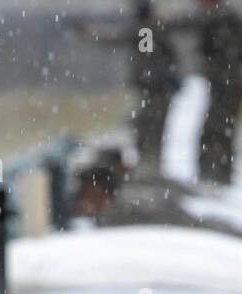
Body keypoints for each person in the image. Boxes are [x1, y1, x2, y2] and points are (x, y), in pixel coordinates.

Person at [73, 3, 180, 170]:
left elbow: (122, 41)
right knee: (150, 129)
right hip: (157, 89)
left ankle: (149, 166)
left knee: (149, 130)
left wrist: (89, 32)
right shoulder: (154, 30)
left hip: (155, 89)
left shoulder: (147, 31)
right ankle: (151, 166)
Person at [171, 0, 242, 186]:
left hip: (227, 84)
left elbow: (237, 51)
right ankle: (215, 176)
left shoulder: (222, 19)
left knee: (217, 131)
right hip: (225, 83)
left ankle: (214, 178)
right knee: (219, 131)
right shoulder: (222, 18)